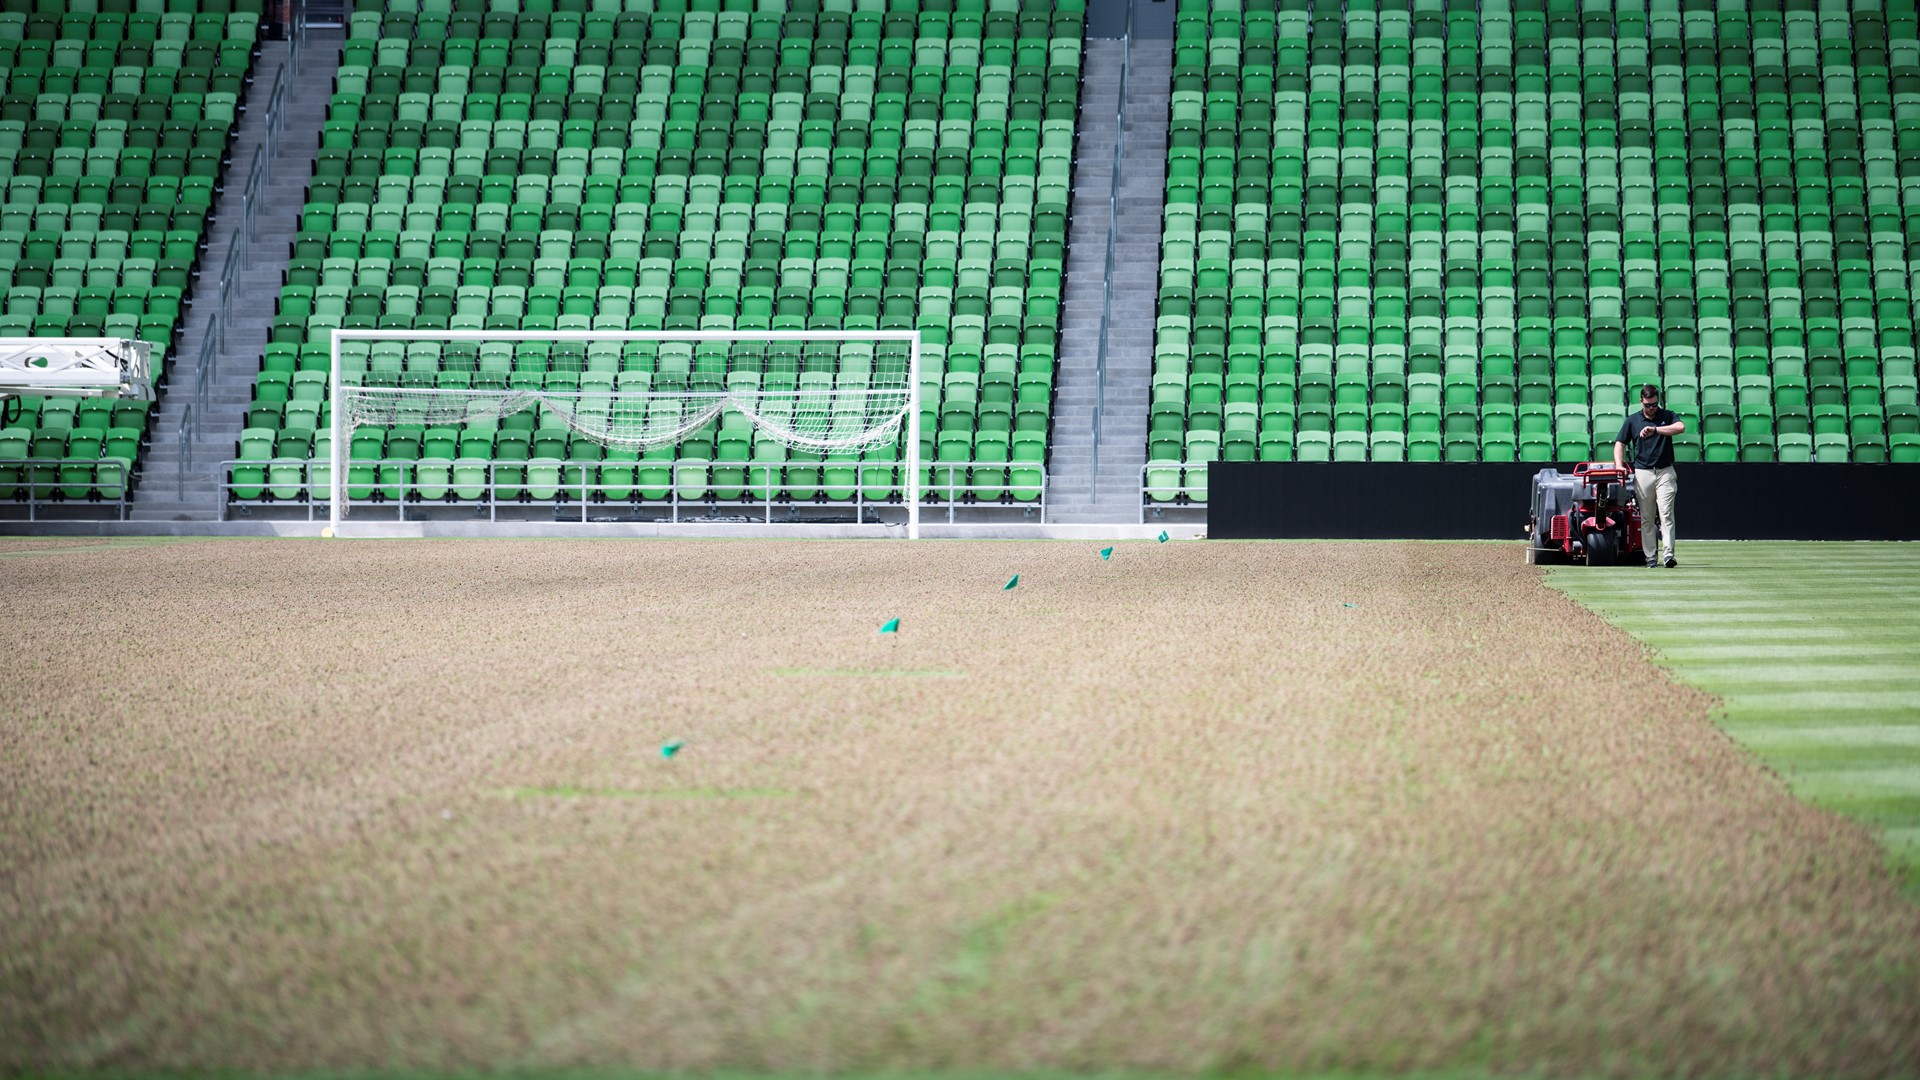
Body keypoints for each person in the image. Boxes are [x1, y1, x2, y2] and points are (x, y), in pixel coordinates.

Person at [1614, 384, 1685, 568]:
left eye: (1654, 405)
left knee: (1666, 514)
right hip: (1643, 472)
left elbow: (1680, 427)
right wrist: (1619, 465)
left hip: (1665, 471)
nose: (1651, 409)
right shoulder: (1633, 420)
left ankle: (1669, 555)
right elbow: (1620, 443)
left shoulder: (1667, 416)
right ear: (1641, 402)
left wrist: (1656, 430)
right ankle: (1651, 557)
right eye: (1647, 405)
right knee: (1647, 517)